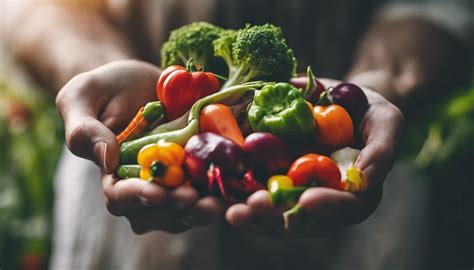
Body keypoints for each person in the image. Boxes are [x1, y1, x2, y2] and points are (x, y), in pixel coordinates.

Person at [2, 0, 471, 269]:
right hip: (133, 151)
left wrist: (376, 83)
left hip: (352, 162)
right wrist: (94, 70)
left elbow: (437, 7)